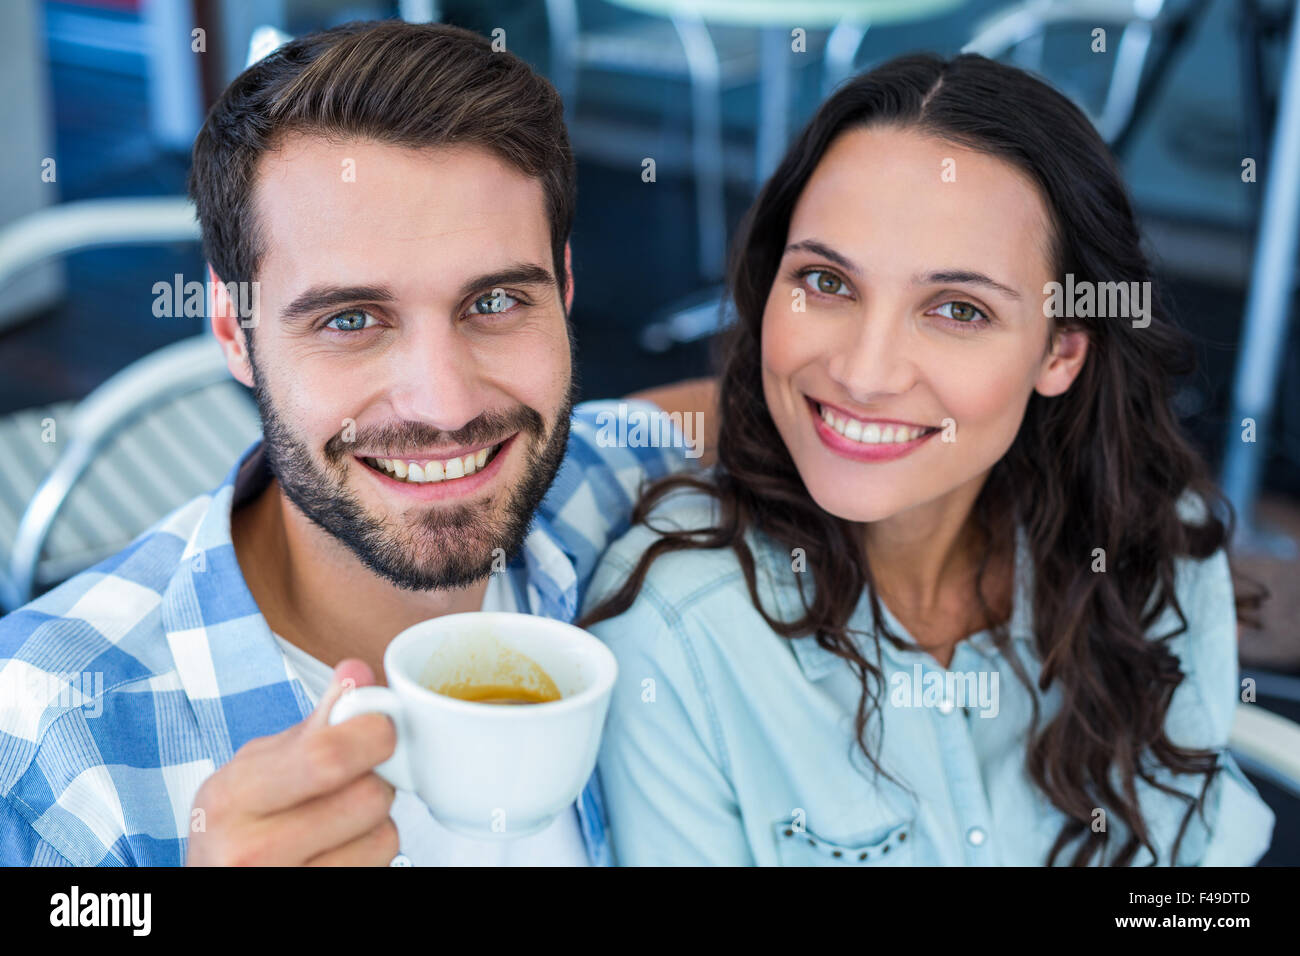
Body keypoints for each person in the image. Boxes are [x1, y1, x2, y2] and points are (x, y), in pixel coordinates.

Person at [0, 21, 712, 867]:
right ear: (233, 330)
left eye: (494, 303)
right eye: (349, 320)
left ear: (562, 288)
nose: (445, 407)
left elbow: (750, 407)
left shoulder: (598, 493)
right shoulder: (50, 748)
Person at [580, 53, 1275, 866]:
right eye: (827, 282)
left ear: (1060, 350)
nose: (864, 374)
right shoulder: (678, 634)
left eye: (957, 309)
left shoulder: (1152, 542)